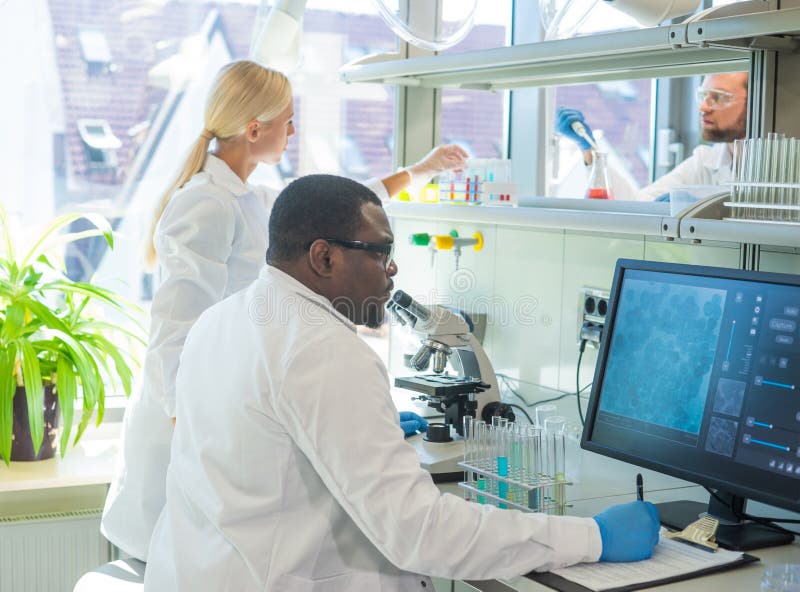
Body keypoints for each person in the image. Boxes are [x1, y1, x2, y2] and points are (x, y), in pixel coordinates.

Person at [143, 174, 660, 591]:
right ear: (324, 257)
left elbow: (265, 443)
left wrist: (375, 426)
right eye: (379, 252)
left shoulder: (226, 317)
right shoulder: (323, 348)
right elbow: (420, 533)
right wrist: (592, 536)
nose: (391, 271)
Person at [101, 59, 467, 562]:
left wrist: (420, 171)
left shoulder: (247, 196)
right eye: (288, 120)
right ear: (255, 129)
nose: (293, 131)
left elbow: (341, 209)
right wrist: (193, 425)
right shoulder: (206, 203)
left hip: (211, 422)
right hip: (182, 430)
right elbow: (172, 333)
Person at [556, 72, 748, 201]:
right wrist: (589, 149)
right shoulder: (705, 162)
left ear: (758, 101)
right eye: (704, 96)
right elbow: (637, 206)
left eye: (718, 97)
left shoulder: (774, 168)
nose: (704, 107)